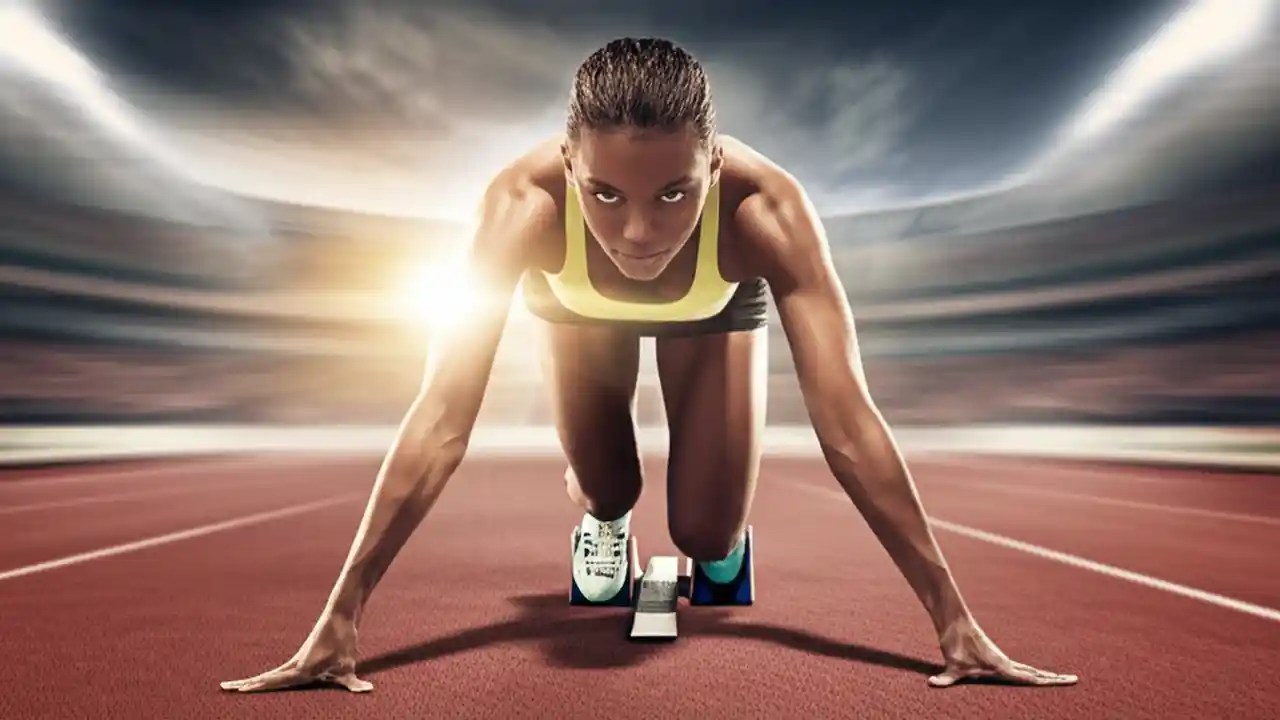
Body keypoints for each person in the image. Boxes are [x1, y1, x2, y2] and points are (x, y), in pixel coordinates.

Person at [220, 37, 1077, 694]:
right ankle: (603, 519)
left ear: (714, 164)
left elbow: (848, 424)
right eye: (604, 194)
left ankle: (717, 539)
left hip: (714, 311)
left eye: (674, 194)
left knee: (706, 536)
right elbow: (443, 417)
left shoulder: (765, 211)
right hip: (574, 310)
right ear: (568, 167)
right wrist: (341, 614)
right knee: (607, 486)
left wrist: (953, 620)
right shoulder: (520, 209)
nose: (637, 234)